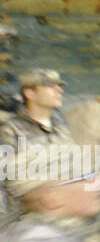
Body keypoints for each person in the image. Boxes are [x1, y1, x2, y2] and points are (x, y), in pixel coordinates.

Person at [0, 68, 75, 223]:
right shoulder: (10, 131)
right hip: (26, 223)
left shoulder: (62, 129)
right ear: (30, 93)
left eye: (60, 86)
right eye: (50, 86)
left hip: (65, 220)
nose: (59, 90)